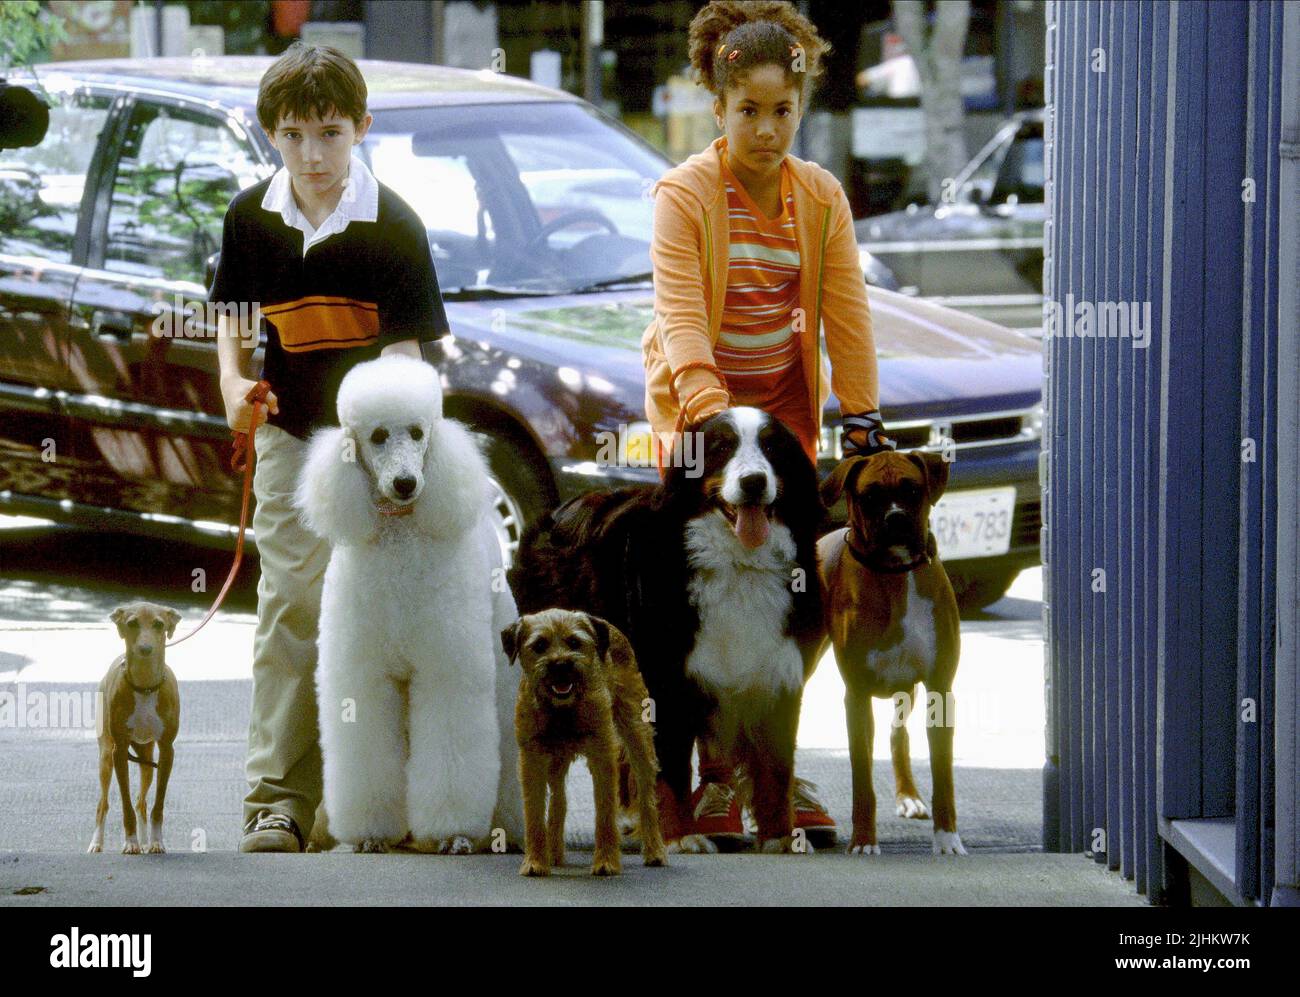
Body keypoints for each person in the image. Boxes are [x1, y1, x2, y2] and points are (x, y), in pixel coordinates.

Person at [642, 0, 896, 848]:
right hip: (701, 421)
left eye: (781, 109)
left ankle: (768, 758)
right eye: (747, 110)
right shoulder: (684, 194)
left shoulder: (820, 197)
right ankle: (711, 775)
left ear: (801, 107)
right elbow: (680, 314)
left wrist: (862, 418)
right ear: (717, 109)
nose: (765, 127)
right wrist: (713, 423)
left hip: (782, 429)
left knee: (799, 595)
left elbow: (848, 316)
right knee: (700, 598)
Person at [211, 43, 449, 852]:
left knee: (379, 616)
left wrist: (391, 454)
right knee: (293, 604)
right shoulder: (250, 218)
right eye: (293, 135)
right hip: (286, 439)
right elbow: (236, 330)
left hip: (374, 450)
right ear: (271, 135)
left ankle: (379, 798)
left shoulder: (395, 225)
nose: (312, 154)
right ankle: (277, 797)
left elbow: (409, 356)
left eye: (330, 132)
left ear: (362, 129)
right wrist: (231, 387)